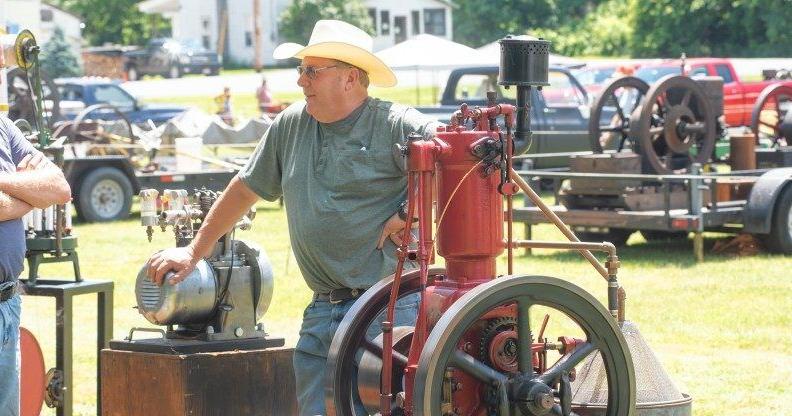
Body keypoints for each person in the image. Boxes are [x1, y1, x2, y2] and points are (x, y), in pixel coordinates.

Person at [145, 20, 438, 415]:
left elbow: (461, 157)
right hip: (323, 307)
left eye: (312, 71)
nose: (301, 81)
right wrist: (193, 252)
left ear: (351, 78)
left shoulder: (397, 124)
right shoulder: (291, 125)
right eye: (301, 70)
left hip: (388, 308)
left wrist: (409, 213)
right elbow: (245, 189)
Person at [0, 42, 72, 416]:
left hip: (6, 304)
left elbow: (59, 187)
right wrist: (30, 194)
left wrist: (5, 183)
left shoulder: (3, 127)